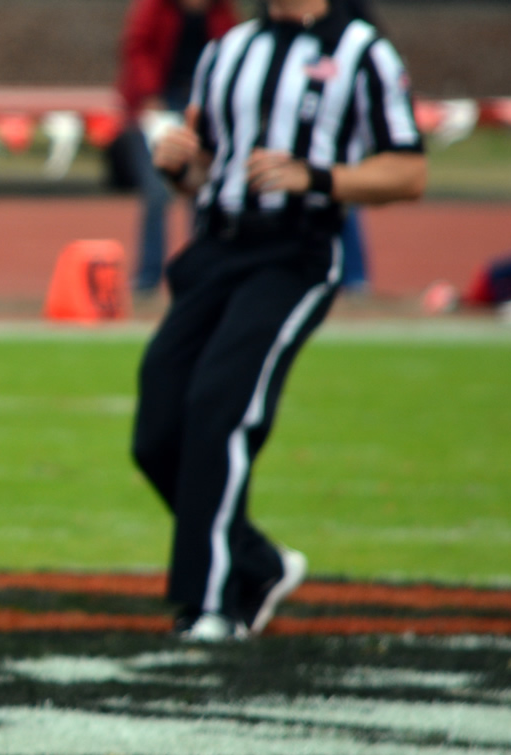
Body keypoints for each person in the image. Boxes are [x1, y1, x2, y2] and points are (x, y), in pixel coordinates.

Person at [137, 0, 425, 641]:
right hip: (215, 247)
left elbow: (409, 170)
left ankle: (215, 605)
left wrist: (317, 176)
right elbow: (207, 170)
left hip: (294, 253)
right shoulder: (230, 47)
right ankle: (259, 563)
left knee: (220, 409)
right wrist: (181, 164)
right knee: (158, 429)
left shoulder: (361, 49)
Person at [117, 0, 238, 294]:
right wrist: (149, 95)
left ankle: (203, 270)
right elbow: (137, 49)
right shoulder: (155, 7)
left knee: (203, 194)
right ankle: (147, 276)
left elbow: (232, 54)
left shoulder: (221, 12)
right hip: (160, 104)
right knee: (157, 192)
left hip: (202, 106)